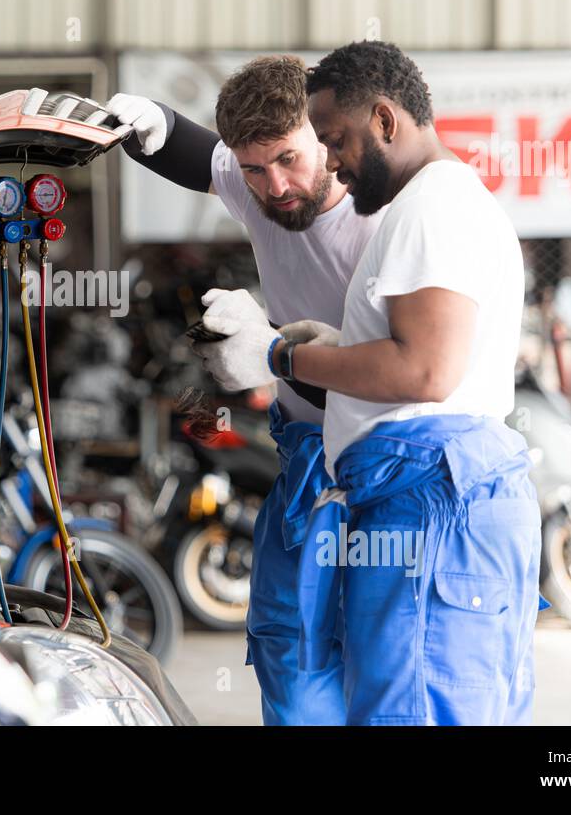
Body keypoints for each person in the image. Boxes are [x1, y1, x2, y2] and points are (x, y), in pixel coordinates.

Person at [198, 41, 540, 725]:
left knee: (410, 710)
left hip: (431, 495)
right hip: (424, 491)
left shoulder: (428, 208)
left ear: (385, 121)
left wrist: (278, 357)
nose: (333, 162)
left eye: (335, 141)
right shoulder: (443, 200)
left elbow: (424, 371)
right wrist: (340, 350)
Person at [108, 55, 384, 725]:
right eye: (255, 169)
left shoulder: (384, 224)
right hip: (302, 461)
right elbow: (203, 159)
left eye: (289, 159)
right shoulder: (257, 183)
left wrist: (273, 354)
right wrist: (152, 124)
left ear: (325, 135)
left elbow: (397, 376)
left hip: (385, 463)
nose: (276, 186)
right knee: (290, 651)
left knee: (384, 662)